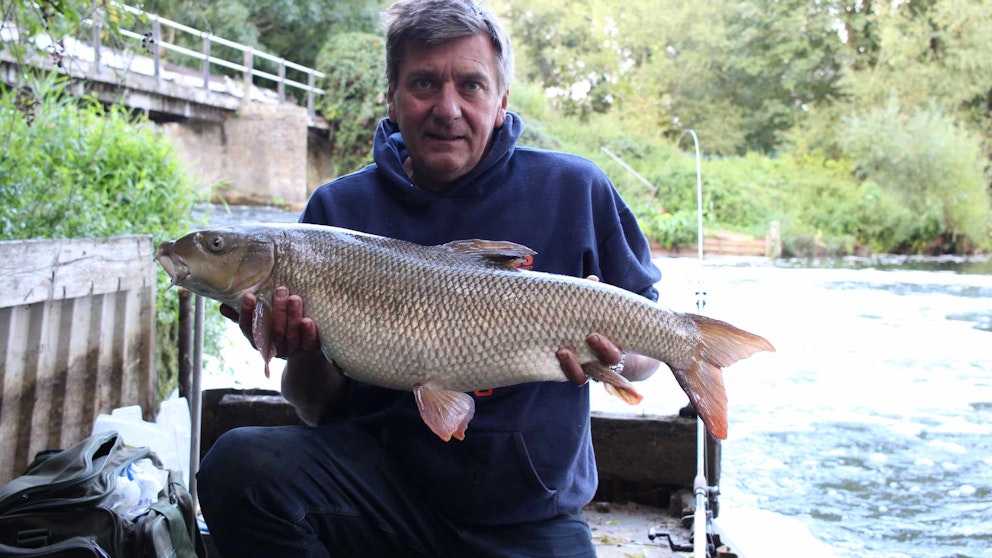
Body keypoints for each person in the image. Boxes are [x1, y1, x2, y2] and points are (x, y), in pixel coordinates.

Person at [197, 1, 663, 556]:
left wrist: (611, 361)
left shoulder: (575, 190)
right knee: (237, 465)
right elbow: (313, 407)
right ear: (391, 98)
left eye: (471, 85)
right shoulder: (338, 209)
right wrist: (305, 351)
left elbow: (648, 356)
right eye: (423, 83)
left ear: (501, 100)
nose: (448, 108)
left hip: (528, 513)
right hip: (373, 496)